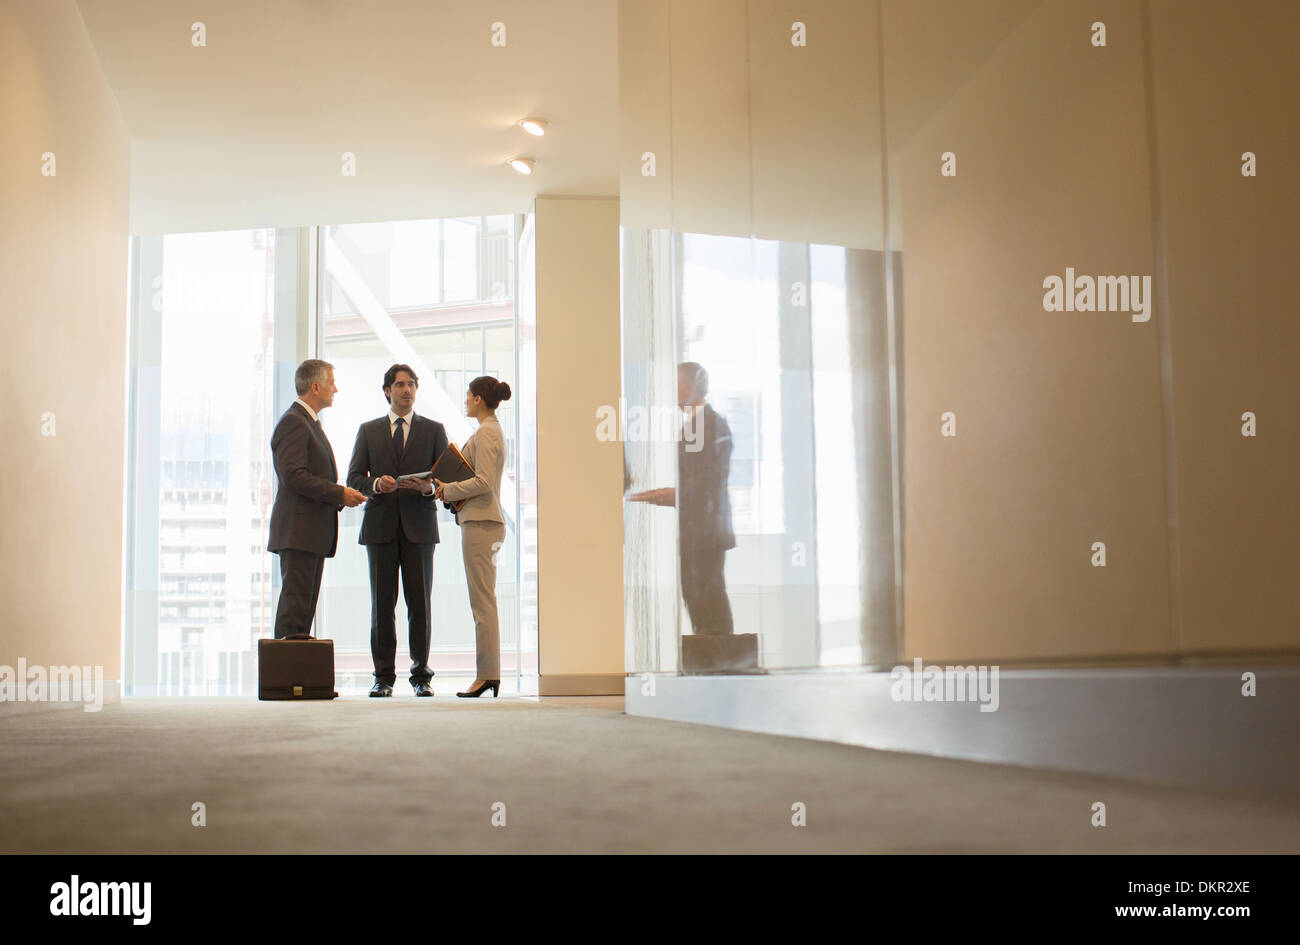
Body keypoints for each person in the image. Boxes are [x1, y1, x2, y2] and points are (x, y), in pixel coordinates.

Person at [346, 364, 450, 698]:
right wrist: (376, 483)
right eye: (400, 384)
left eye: (412, 384)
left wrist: (426, 488)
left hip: (419, 527)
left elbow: (445, 480)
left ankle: (421, 676)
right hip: (380, 528)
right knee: (382, 606)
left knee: (419, 605)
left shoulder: (434, 430)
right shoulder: (368, 430)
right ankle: (383, 677)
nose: (407, 390)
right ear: (387, 391)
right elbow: (354, 479)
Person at [628, 361, 736, 635]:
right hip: (696, 531)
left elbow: (712, 480)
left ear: (688, 387)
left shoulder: (711, 423)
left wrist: (674, 495)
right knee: (696, 600)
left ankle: (719, 666)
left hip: (707, 532)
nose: (672, 394)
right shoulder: (694, 424)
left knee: (709, 601)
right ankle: (710, 666)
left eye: (676, 386)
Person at [268, 359, 367, 640]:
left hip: (309, 534)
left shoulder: (308, 422)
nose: (335, 389)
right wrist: (339, 493)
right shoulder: (294, 422)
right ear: (315, 386)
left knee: (301, 617)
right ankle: (286, 681)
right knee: (294, 616)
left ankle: (297, 681)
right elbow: (293, 475)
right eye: (331, 382)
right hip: (299, 533)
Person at [434, 376, 511, 698]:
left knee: (483, 603)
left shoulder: (488, 432)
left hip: (482, 523)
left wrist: (447, 489)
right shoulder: (487, 431)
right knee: (483, 601)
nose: (465, 401)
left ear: (479, 399)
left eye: (468, 396)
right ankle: (487, 674)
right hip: (478, 521)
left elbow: (483, 481)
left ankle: (488, 674)